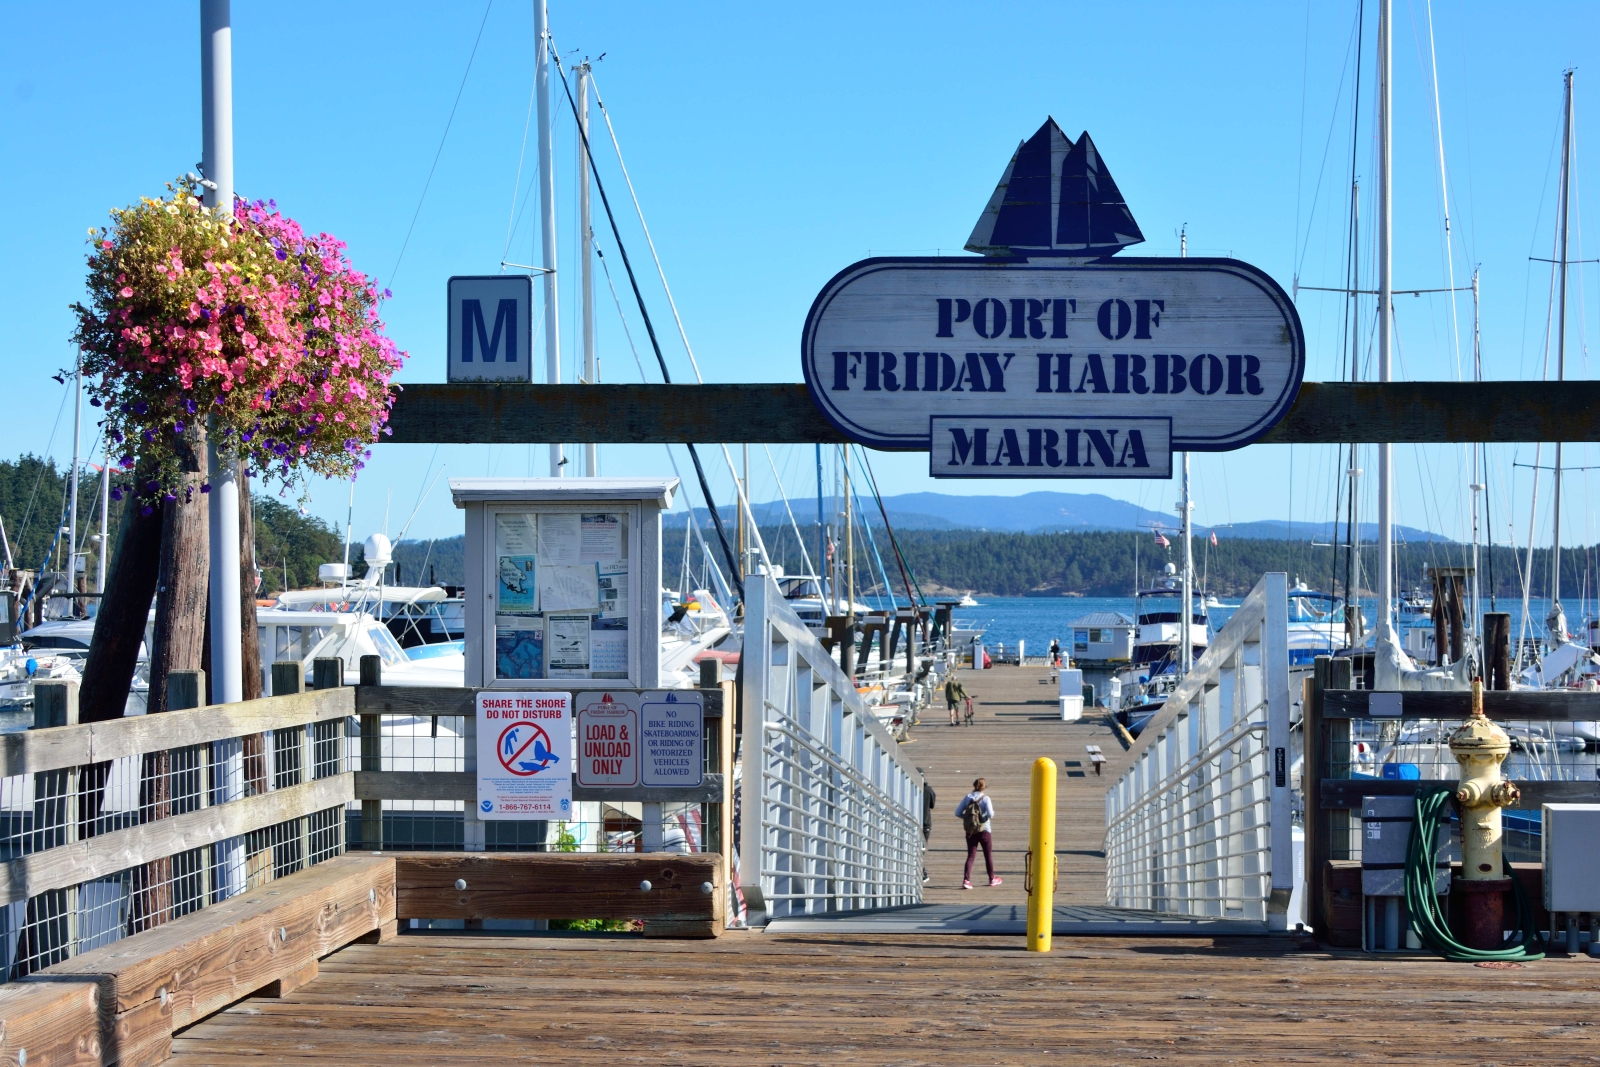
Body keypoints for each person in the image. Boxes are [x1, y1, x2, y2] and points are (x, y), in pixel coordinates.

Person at [955, 778, 1001, 889]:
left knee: (971, 855)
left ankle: (966, 880)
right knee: (988, 854)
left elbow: (957, 812)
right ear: (984, 787)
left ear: (974, 785)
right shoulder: (986, 798)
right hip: (985, 830)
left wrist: (967, 819)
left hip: (970, 830)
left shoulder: (968, 797)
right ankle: (992, 879)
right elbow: (990, 814)